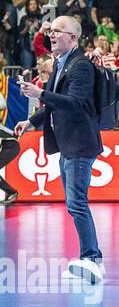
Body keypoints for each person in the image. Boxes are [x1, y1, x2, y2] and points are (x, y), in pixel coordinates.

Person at [17, 16, 105, 283]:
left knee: (77, 203)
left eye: (58, 31)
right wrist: (31, 121)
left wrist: (39, 93)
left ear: (73, 38)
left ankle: (92, 259)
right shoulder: (61, 63)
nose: (51, 35)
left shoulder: (80, 67)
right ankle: (91, 258)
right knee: (74, 203)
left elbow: (76, 103)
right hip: (68, 143)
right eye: (51, 30)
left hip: (79, 143)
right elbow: (56, 104)